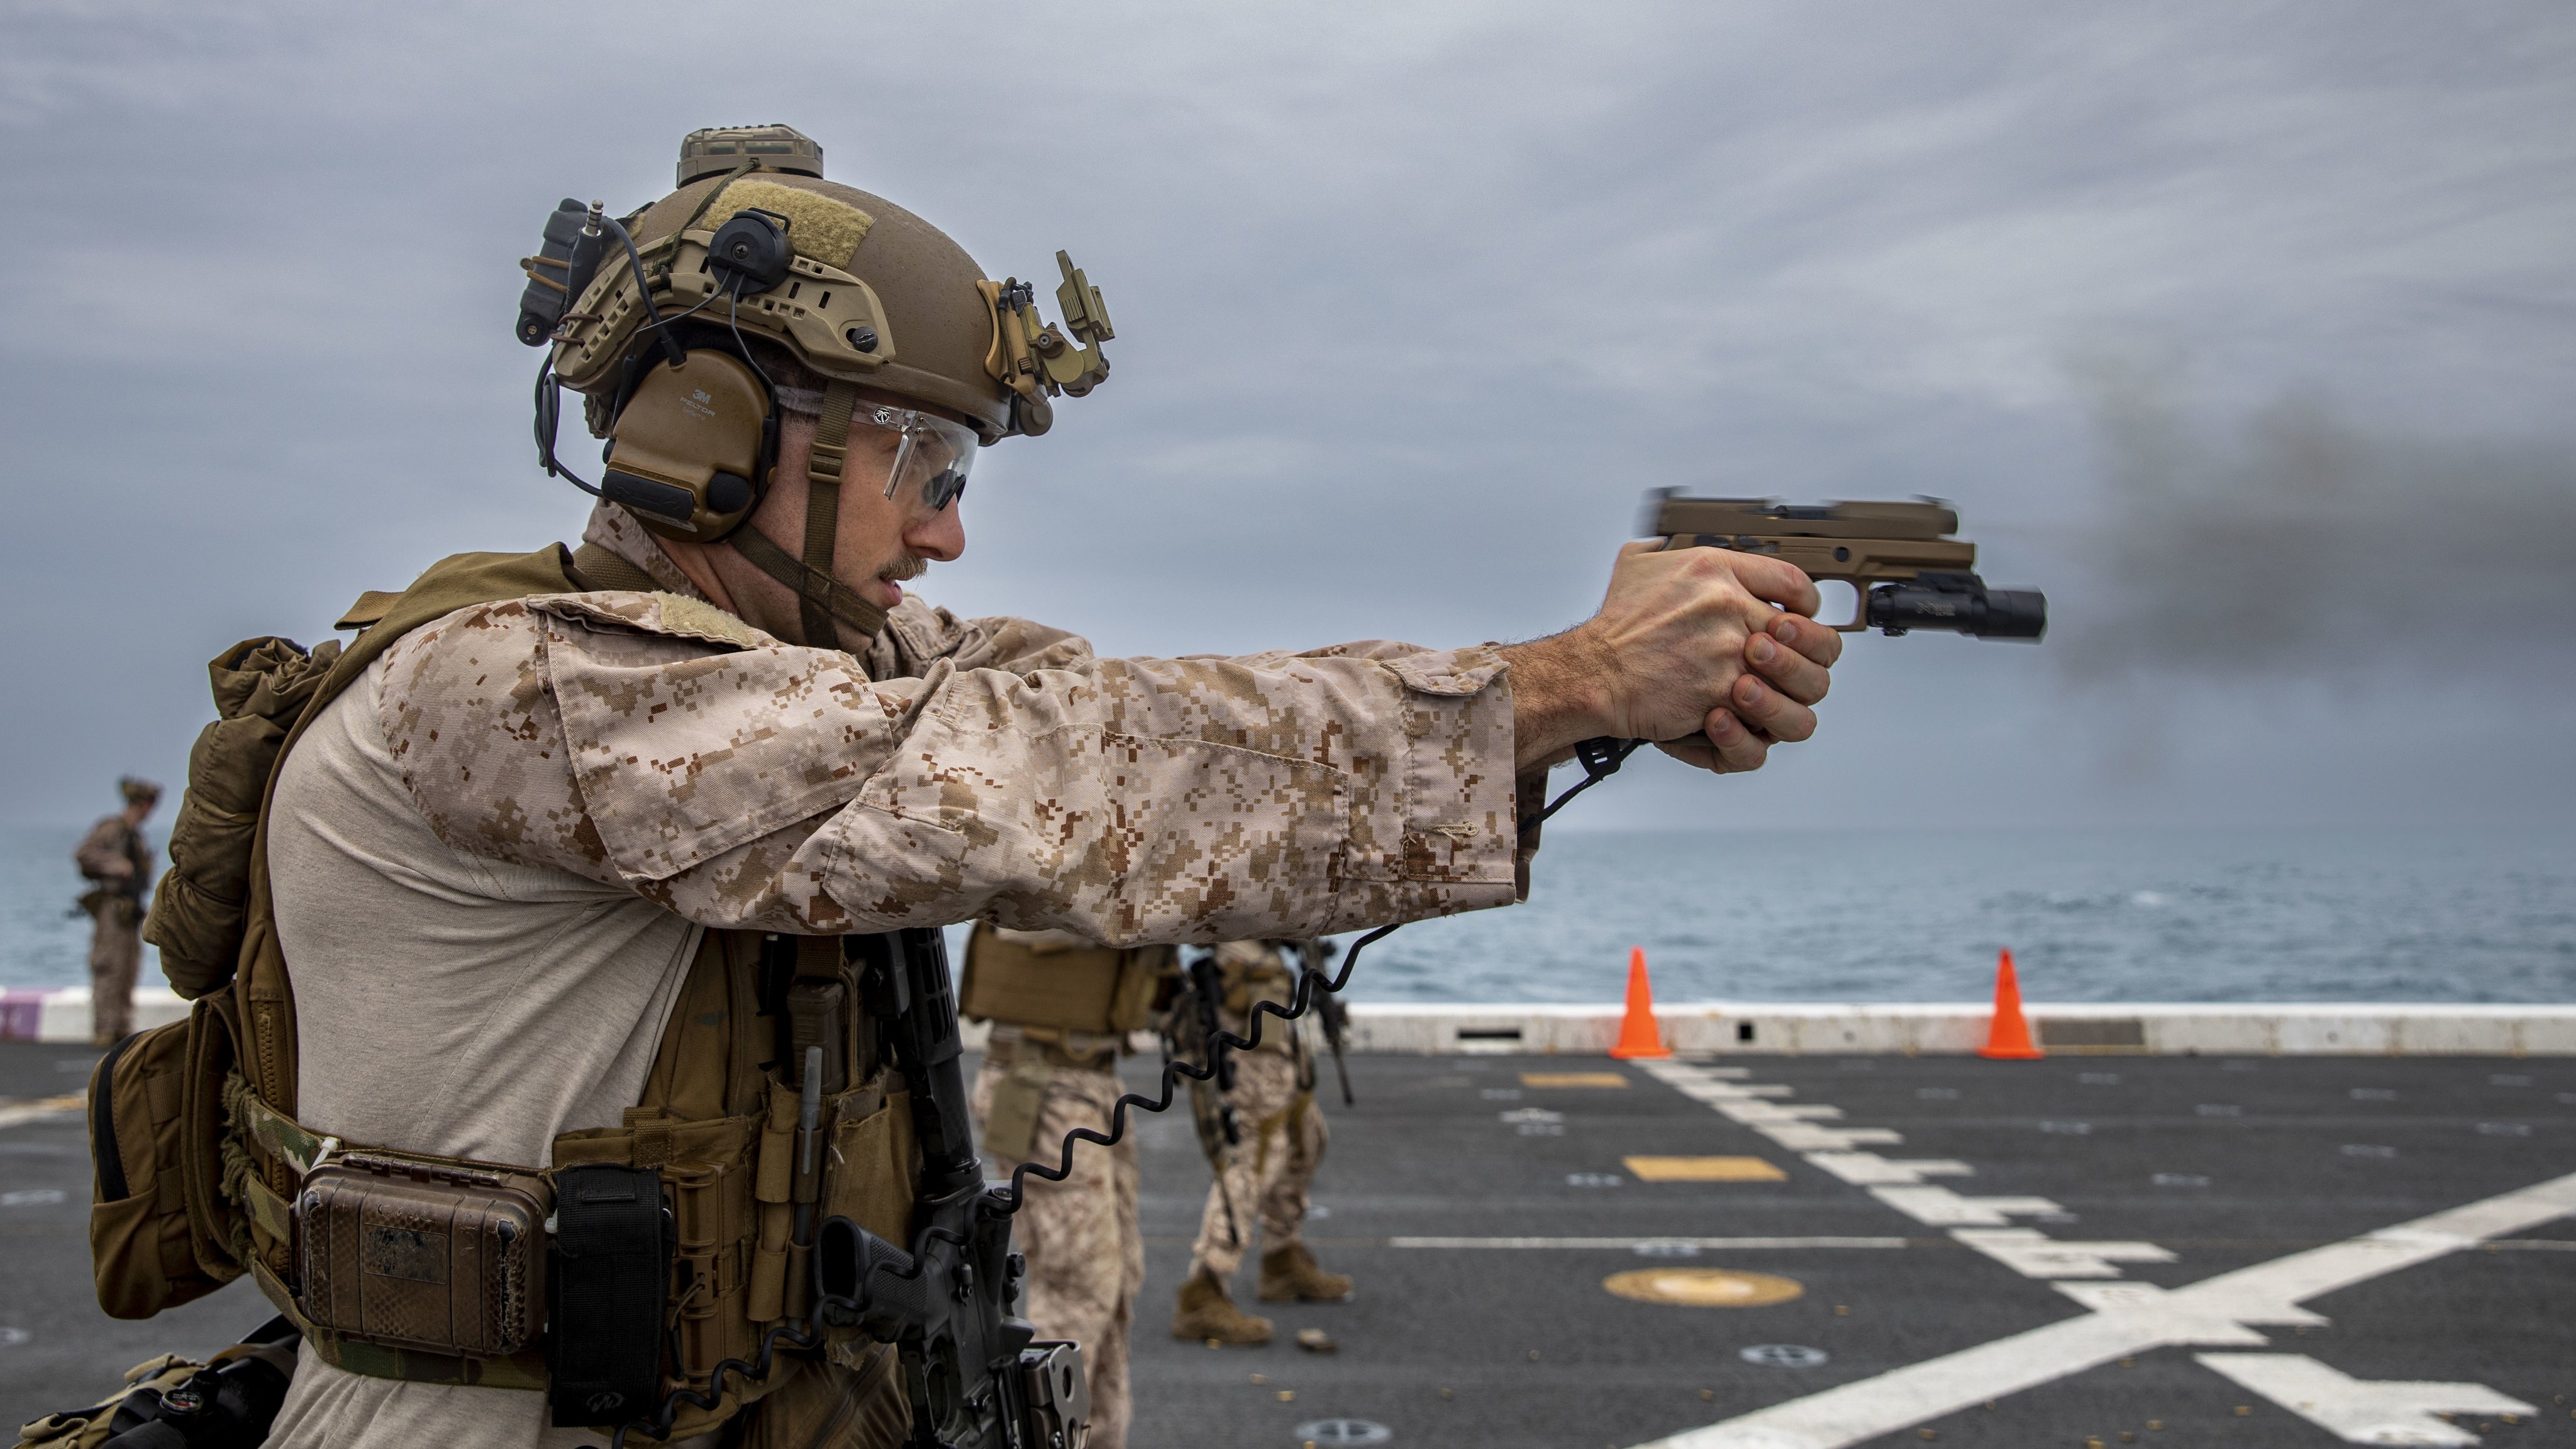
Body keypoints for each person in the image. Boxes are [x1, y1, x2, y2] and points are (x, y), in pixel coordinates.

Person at [157, 123, 1836, 1449]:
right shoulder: (526, 689)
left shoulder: (812, 670)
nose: (950, 526)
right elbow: (1061, 778)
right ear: (715, 427)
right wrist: (1577, 680)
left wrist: (1559, 724)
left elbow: (1096, 718)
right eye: (923, 465)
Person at [960, 924, 1173, 1449]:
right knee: (1078, 1289)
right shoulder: (1070, 846)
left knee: (1114, 1285)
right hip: (1045, 1086)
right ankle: (1049, 1437)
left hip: (1086, 1082)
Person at [1172, 939, 1349, 1344]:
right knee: (1257, 1152)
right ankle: (1206, 1286)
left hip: (1270, 998)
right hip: (1243, 1008)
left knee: (1305, 1135)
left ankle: (1283, 1258)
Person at [72, 777, 158, 1046]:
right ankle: (105, 1028)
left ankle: (121, 1025)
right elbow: (84, 854)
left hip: (129, 911)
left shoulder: (136, 837)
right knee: (108, 965)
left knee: (129, 966)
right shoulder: (112, 829)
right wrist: (116, 865)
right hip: (112, 908)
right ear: (143, 805)